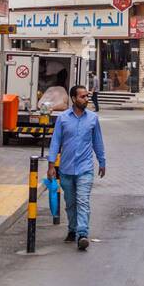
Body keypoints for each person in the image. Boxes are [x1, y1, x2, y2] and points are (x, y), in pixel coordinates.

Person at [47, 85, 106, 251]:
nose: (86, 99)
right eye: (83, 97)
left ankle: (82, 234)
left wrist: (102, 161)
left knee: (82, 201)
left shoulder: (93, 118)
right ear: (74, 99)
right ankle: (72, 229)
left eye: (87, 96)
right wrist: (51, 165)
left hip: (85, 168)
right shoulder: (63, 118)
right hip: (66, 169)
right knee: (70, 203)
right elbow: (56, 142)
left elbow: (97, 142)